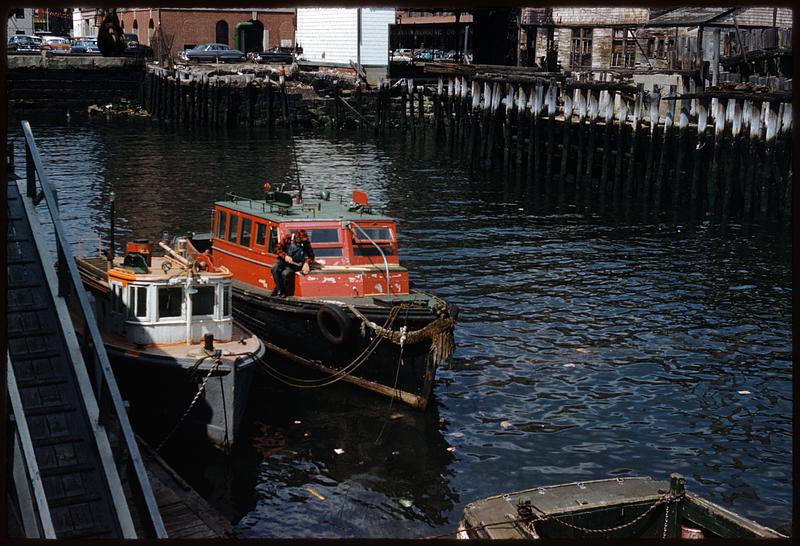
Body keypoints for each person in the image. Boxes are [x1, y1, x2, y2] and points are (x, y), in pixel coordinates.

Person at [271, 229, 314, 296]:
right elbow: (277, 248)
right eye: (301, 240)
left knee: (285, 274)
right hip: (283, 259)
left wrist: (306, 263)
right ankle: (279, 289)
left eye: (303, 240)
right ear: (297, 237)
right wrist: (285, 256)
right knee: (274, 268)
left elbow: (311, 256)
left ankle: (284, 291)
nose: (302, 241)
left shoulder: (305, 243)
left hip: (294, 263)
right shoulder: (288, 238)